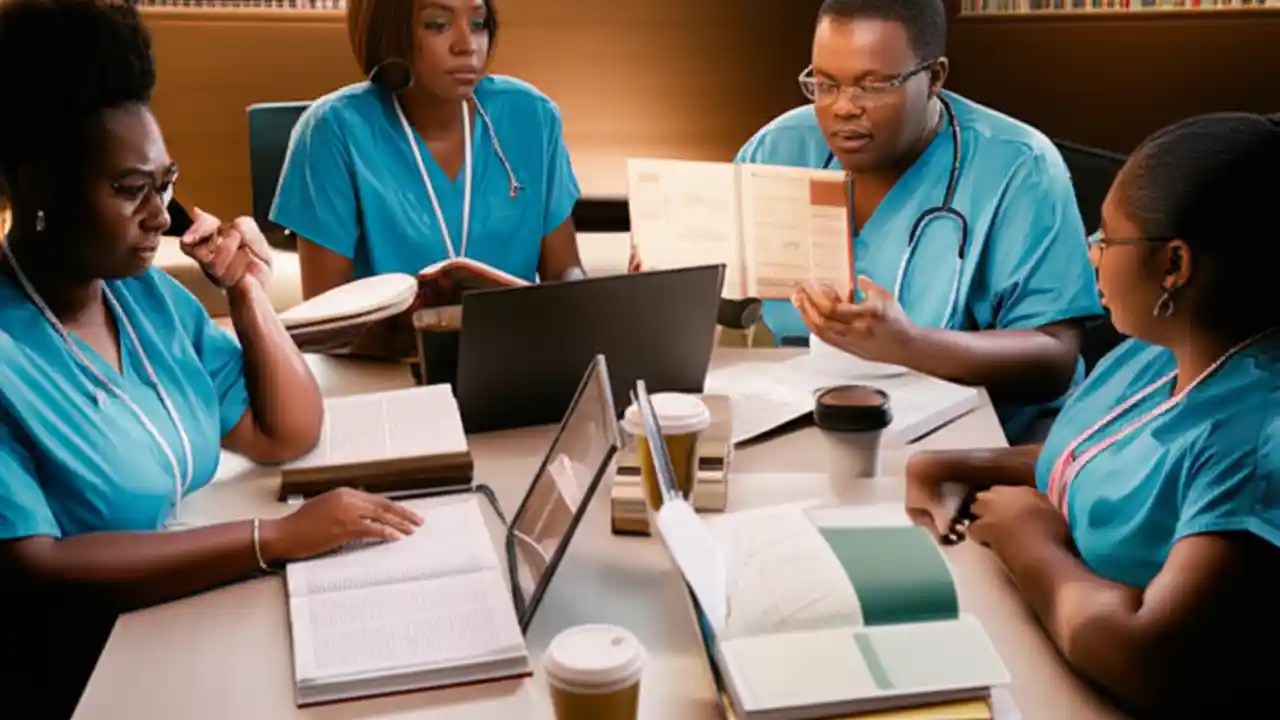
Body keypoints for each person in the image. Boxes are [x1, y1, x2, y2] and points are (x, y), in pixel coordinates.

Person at [0, 3, 423, 716]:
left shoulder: (148, 302)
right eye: (131, 189)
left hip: (183, 620)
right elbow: (38, 569)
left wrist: (248, 291)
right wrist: (273, 539)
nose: (162, 216)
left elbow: (284, 431)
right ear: (40, 189)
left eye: (166, 183)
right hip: (79, 674)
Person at [906, 112, 1280, 718]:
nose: (1090, 251)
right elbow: (1113, 465)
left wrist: (1027, 540)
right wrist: (962, 464)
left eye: (1107, 237)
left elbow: (1150, 660)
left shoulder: (1256, 442)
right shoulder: (1157, 352)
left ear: (1174, 265)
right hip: (1038, 644)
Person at [736, 0, 1102, 444]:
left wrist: (910, 345)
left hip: (983, 443)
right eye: (825, 83)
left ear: (934, 78)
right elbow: (736, 307)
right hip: (815, 424)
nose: (844, 107)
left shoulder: (1020, 168)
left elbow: (1054, 359)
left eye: (873, 85)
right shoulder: (778, 151)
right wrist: (683, 275)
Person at [272, 0, 585, 302]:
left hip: (512, 352)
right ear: (390, 33)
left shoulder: (531, 116)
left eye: (478, 24)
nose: (467, 45)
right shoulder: (332, 130)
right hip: (383, 356)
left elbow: (562, 269)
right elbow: (327, 318)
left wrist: (585, 293)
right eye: (438, 25)